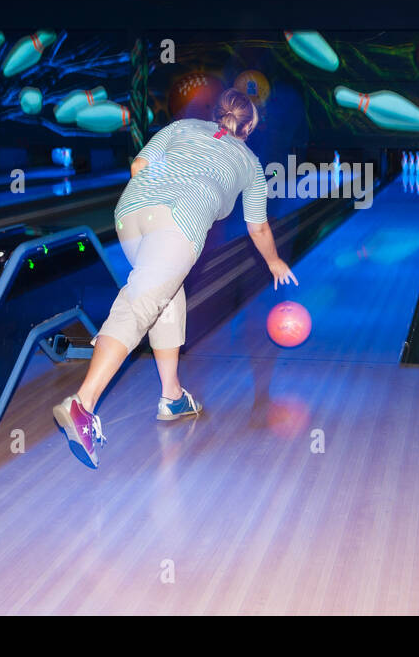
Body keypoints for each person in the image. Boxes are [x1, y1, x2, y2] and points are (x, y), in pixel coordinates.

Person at [53, 88, 298, 466]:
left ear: (217, 114)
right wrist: (275, 262)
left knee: (166, 295)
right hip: (179, 221)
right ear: (249, 126)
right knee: (142, 301)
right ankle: (82, 404)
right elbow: (258, 227)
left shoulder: (181, 126)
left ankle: (172, 395)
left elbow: (138, 168)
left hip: (130, 214)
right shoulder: (249, 164)